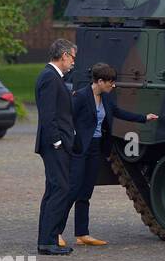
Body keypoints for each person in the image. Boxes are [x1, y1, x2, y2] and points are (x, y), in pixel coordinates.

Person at [63, 62, 158, 246]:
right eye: (109, 83)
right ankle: (56, 231)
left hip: (96, 147)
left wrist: (144, 118)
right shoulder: (81, 96)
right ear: (99, 81)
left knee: (86, 191)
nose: (112, 86)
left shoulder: (106, 99)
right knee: (73, 188)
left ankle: (82, 233)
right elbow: (67, 119)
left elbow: (118, 112)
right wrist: (72, 140)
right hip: (80, 147)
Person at [35, 39, 78, 255]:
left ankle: (47, 240)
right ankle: (48, 241)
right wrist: (58, 141)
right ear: (63, 56)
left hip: (58, 144)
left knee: (54, 189)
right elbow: (48, 114)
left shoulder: (54, 77)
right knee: (59, 189)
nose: (73, 62)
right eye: (72, 58)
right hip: (55, 146)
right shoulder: (50, 78)